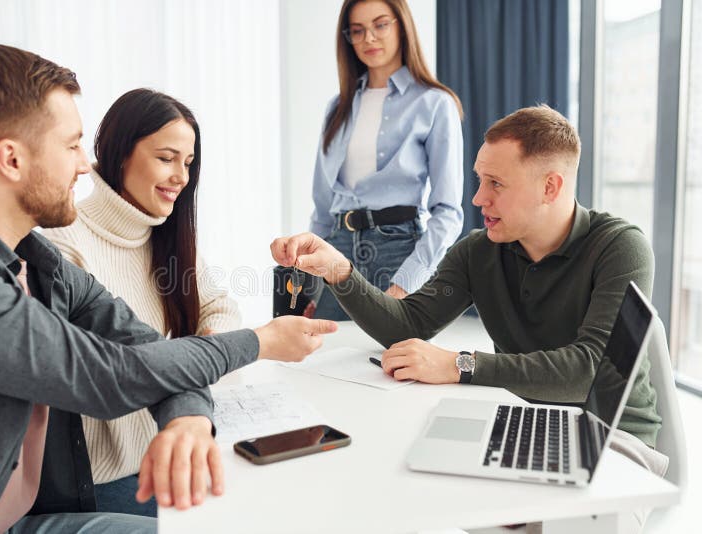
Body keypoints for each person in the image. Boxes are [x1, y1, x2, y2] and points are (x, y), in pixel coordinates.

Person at [0, 43, 336, 534]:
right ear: (12, 159)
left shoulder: (33, 259)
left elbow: (142, 346)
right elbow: (107, 374)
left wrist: (188, 416)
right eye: (71, 146)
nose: (84, 166)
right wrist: (259, 341)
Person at [274, 105, 667, 532]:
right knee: (396, 487)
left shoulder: (620, 248)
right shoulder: (479, 251)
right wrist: (339, 271)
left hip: (611, 438)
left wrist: (460, 364)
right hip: (520, 421)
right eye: (480, 180)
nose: (478, 198)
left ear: (550, 187)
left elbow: (588, 371)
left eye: (496, 183)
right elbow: (407, 325)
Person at [40, 89, 240, 516]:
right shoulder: (64, 242)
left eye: (188, 163)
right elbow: (98, 370)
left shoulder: (168, 237)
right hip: (104, 479)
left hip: (168, 447)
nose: (181, 177)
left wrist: (204, 350)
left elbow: (220, 307)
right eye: (167, 158)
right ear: (120, 156)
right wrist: (195, 362)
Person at [308, 0, 464, 320]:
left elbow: (448, 211)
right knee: (324, 347)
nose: (369, 38)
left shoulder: (435, 103)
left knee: (391, 351)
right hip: (337, 251)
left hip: (398, 252)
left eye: (380, 25)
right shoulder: (336, 108)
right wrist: (308, 287)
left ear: (402, 27)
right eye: (357, 30)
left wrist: (406, 281)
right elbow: (322, 211)